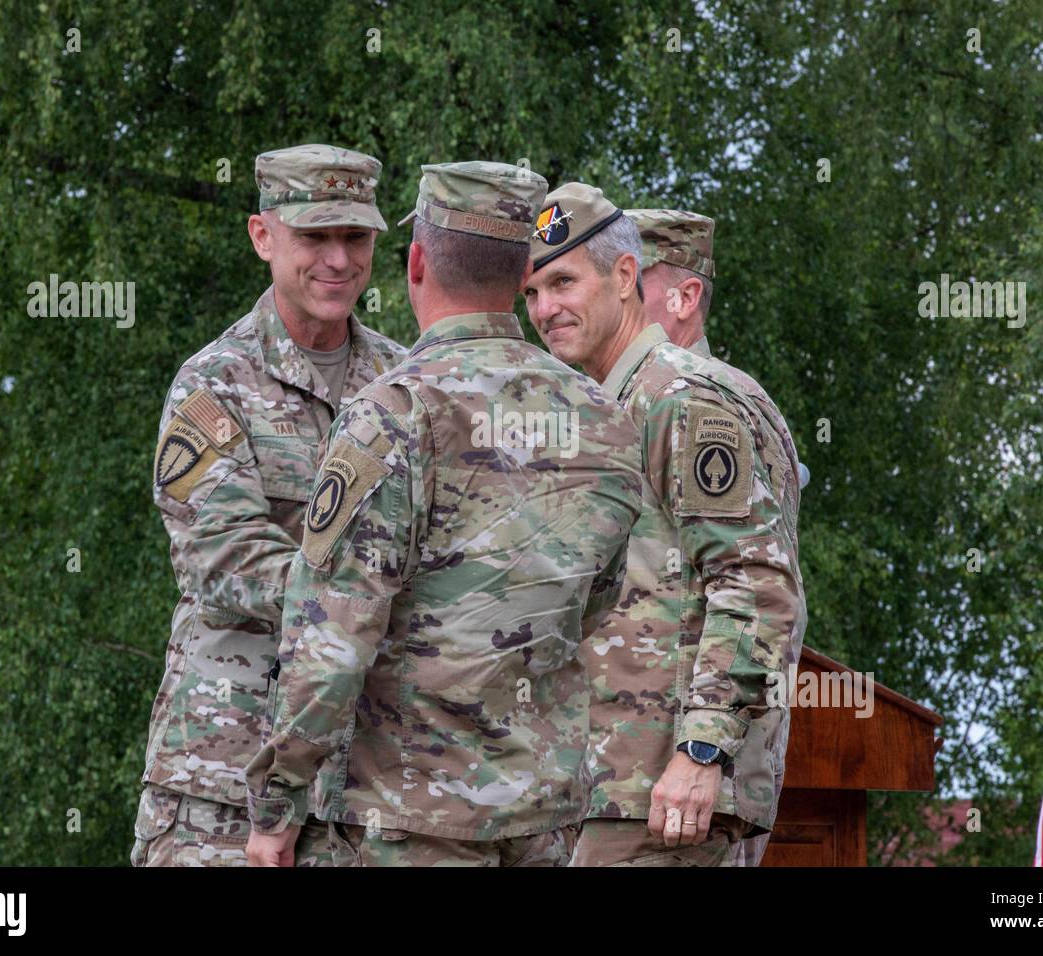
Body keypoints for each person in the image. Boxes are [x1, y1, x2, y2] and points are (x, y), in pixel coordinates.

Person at [242, 160, 643, 867]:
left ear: (417, 262)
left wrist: (277, 802)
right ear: (524, 272)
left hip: (415, 817)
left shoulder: (392, 413)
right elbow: (597, 598)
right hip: (543, 813)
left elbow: (333, 635)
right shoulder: (604, 417)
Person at [131, 144, 406, 866]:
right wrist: (365, 597)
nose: (339, 260)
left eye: (356, 238)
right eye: (315, 237)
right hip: (223, 777)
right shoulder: (213, 386)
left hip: (371, 783)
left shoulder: (407, 384)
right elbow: (222, 559)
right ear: (264, 237)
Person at [525, 183, 806, 866]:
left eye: (562, 282)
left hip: (662, 793)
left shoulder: (677, 397)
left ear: (625, 278)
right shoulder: (609, 404)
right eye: (531, 292)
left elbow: (758, 582)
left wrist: (701, 747)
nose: (544, 309)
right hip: (608, 789)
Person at [628, 206, 806, 866]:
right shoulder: (633, 397)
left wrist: (702, 746)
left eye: (631, 279)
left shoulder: (701, 400)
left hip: (692, 778)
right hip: (636, 777)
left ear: (684, 294)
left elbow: (758, 587)